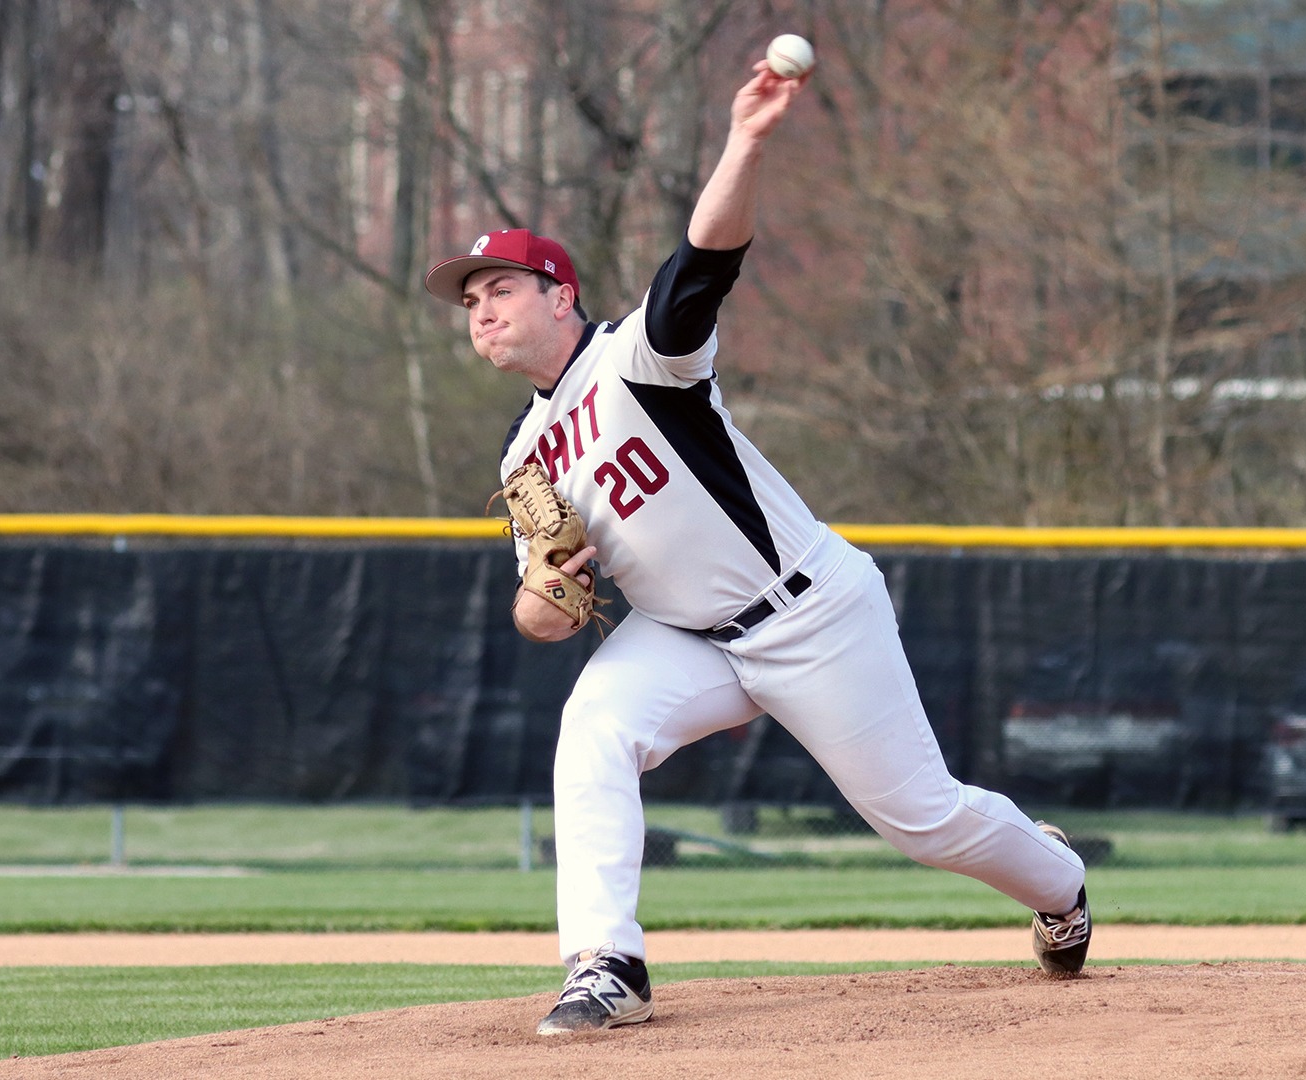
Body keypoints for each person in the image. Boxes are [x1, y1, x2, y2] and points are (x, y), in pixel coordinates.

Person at [423, 55, 1089, 1036]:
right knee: (593, 727)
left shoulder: (638, 359)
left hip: (808, 610)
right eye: (470, 298)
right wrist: (546, 592)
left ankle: (1061, 883)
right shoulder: (523, 454)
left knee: (922, 820)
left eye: (501, 287)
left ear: (559, 295)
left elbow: (703, 263)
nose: (481, 308)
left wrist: (745, 141)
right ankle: (607, 965)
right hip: (686, 635)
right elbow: (537, 613)